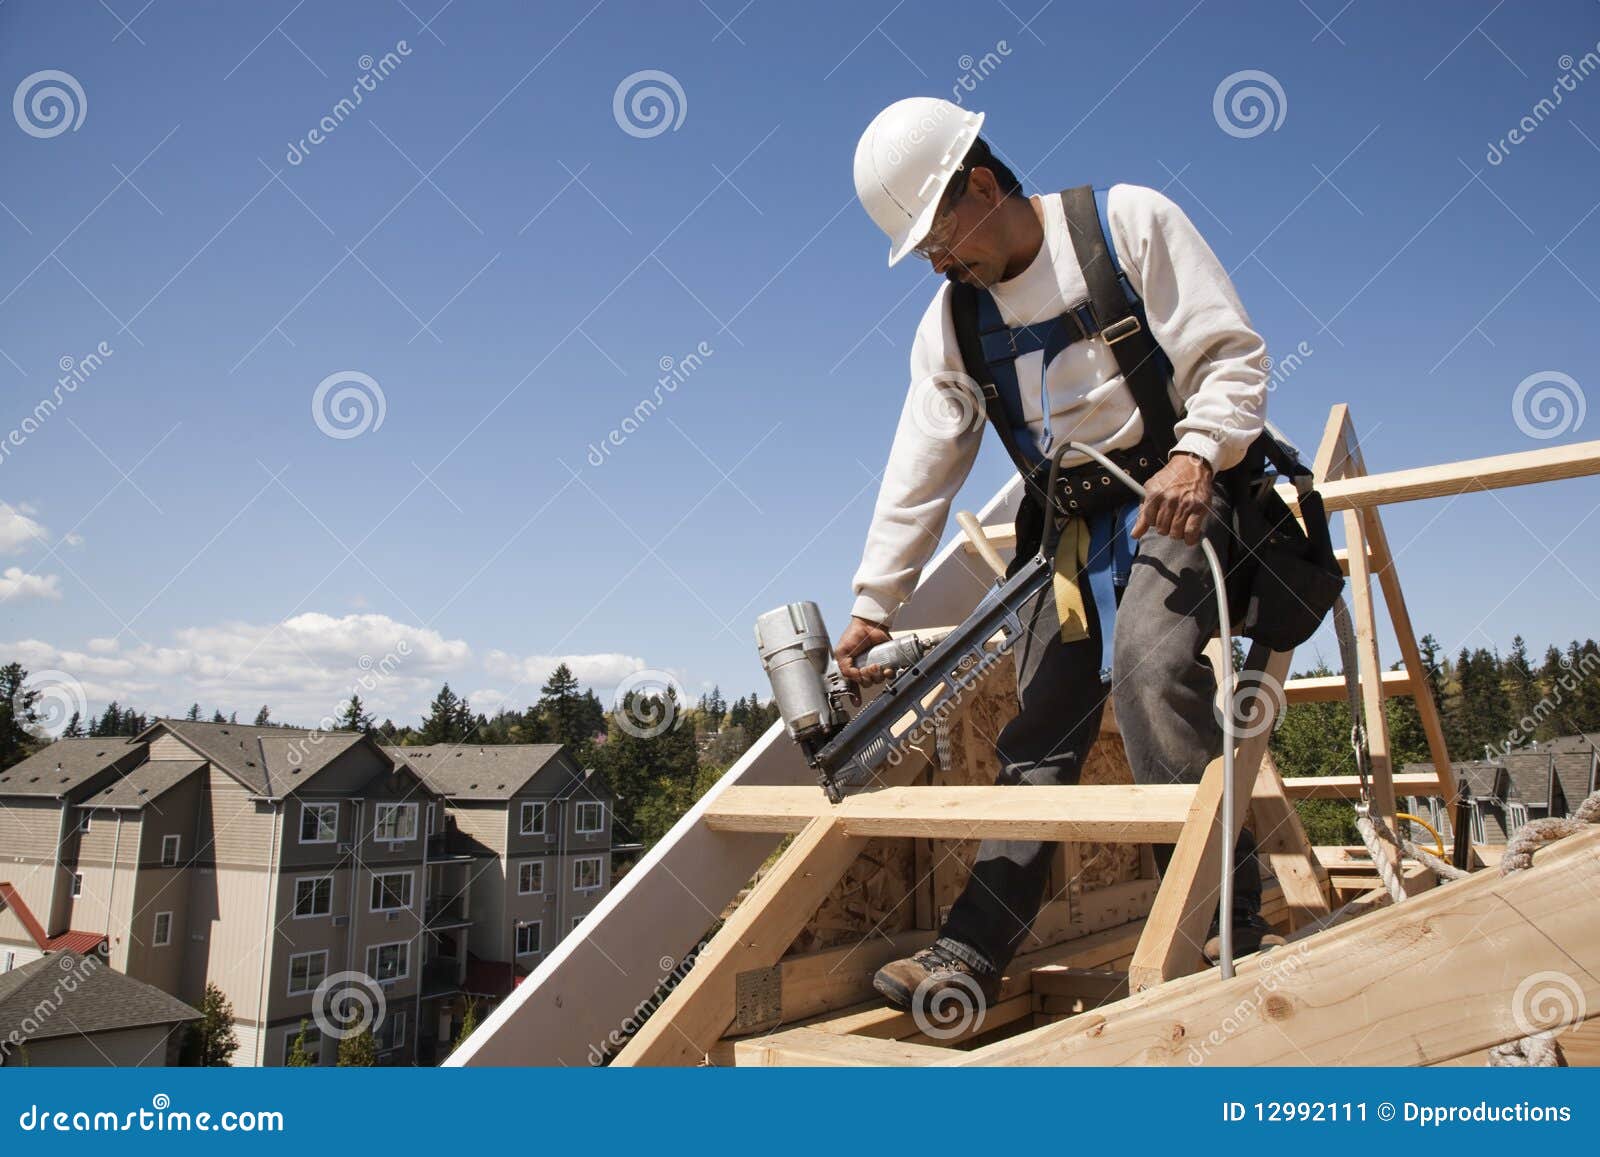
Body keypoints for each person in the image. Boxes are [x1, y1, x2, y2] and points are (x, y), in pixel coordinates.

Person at [840, 97, 1285, 1014]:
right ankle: (971, 946)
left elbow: (1231, 360)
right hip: (1071, 536)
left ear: (985, 184)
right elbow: (923, 461)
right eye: (921, 247)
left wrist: (1198, 451)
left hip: (1180, 502)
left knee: (1151, 672)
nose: (935, 258)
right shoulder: (956, 323)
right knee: (1039, 728)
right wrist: (872, 604)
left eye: (938, 234)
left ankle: (1222, 925)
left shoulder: (1126, 225)